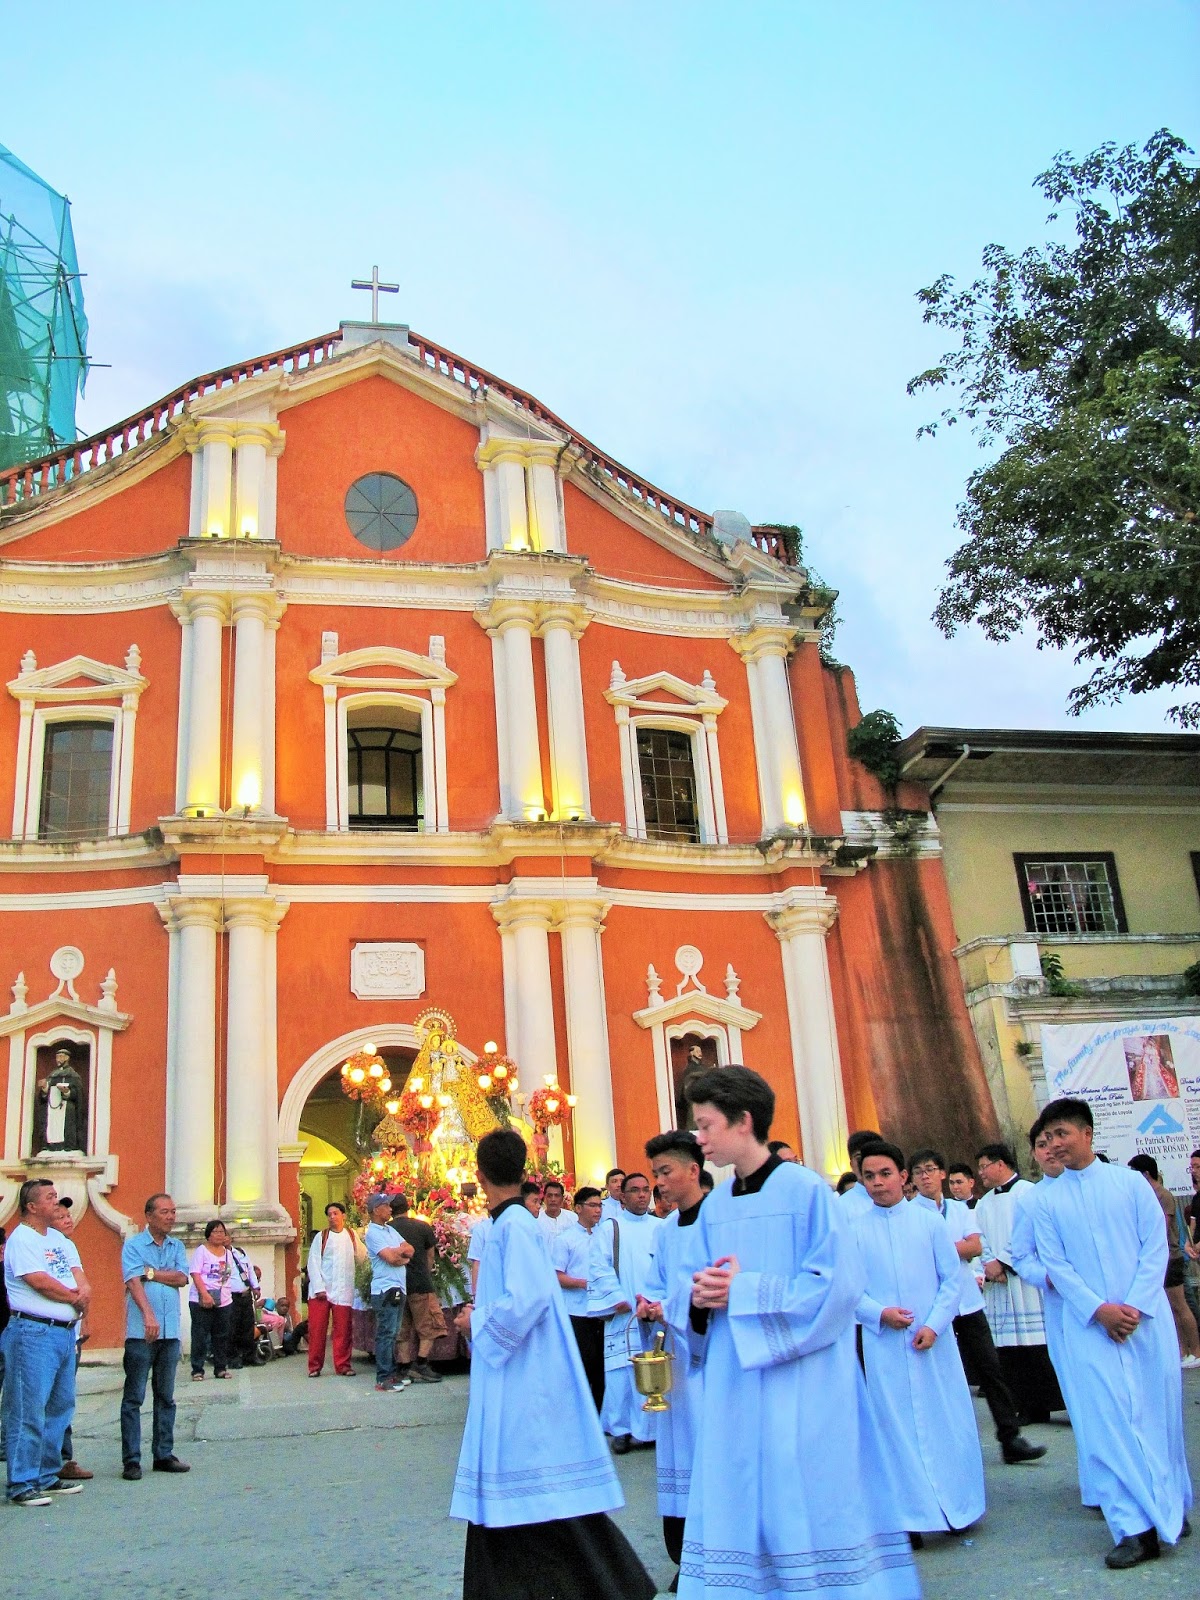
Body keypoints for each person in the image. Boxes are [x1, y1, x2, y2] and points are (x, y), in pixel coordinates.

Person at [671, 1068, 917, 1599]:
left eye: (707, 1125)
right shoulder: (714, 1205)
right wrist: (697, 1299)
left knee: (802, 1485)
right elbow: (694, 1284)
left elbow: (838, 1287)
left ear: (744, 1121)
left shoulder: (806, 1191)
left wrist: (741, 1291)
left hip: (806, 1379)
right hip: (736, 1379)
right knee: (744, 1486)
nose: (700, 1138)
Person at [450, 1128, 656, 1600]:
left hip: (526, 1374)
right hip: (516, 1367)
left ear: (479, 1174)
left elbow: (529, 1296)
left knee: (533, 1475)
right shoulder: (512, 1223)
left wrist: (475, 1323)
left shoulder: (514, 1226)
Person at [1034, 1097, 1193, 1568]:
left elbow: (1153, 1248)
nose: (1055, 1144)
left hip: (1144, 1323)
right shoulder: (1045, 1199)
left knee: (1157, 1417)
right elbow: (1056, 1265)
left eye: (1063, 1133)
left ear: (1087, 1133)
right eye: (1048, 1137)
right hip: (1089, 1328)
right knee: (1108, 1425)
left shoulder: (1129, 1184)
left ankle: (1171, 1506)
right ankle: (1133, 1528)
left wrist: (1134, 1307)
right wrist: (1099, 1310)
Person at [851, 1142, 986, 1541]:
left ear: (903, 1176)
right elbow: (849, 1290)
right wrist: (879, 1314)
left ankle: (957, 1505)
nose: (878, 1183)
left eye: (886, 1174)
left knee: (945, 1419)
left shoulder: (929, 1224)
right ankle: (908, 1514)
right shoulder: (855, 1229)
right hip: (885, 1344)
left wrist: (935, 1324)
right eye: (869, 1176)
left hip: (932, 1343)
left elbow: (951, 1280)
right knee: (894, 1427)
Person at [908, 1148, 1043, 1465]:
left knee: (990, 1370)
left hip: (967, 1302)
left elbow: (975, 1247)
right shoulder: (911, 1213)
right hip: (932, 1306)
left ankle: (1010, 1438)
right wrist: (953, 1250)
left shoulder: (960, 1210)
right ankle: (948, 1446)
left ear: (942, 1173)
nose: (925, 1176)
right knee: (942, 1375)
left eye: (930, 1169)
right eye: (918, 1172)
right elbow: (920, 1255)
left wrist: (940, 1249)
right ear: (910, 1179)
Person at [640, 1131, 709, 1589]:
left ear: (693, 1171)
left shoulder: (721, 1222)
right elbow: (657, 1283)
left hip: (716, 1363)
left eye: (666, 1172)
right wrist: (649, 1306)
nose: (659, 1183)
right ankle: (685, 1555)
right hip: (677, 1365)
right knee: (679, 1455)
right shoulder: (666, 1231)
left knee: (711, 1453)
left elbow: (718, 1285)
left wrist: (674, 1305)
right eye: (655, 1174)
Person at [1, 1178, 89, 1507]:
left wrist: (83, 1293)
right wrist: (74, 1298)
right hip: (32, 1332)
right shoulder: (21, 1239)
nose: (56, 1202)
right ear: (32, 1206)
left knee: (59, 1405)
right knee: (27, 1408)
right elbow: (39, 1281)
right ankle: (22, 1482)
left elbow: (78, 1272)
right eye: (50, 1197)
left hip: (64, 1332)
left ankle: (46, 1473)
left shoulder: (59, 1239)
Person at [974, 1142, 1063, 1423]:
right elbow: (980, 1238)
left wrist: (1002, 1261)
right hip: (1000, 1285)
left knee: (1035, 1345)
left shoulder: (1029, 1193)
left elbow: (1027, 1233)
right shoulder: (984, 1202)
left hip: (1026, 1282)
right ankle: (1022, 1403)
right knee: (1008, 1348)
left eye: (984, 1166)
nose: (981, 1173)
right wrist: (989, 1264)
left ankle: (1043, 1403)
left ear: (1001, 1164)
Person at [587, 1170, 661, 1454]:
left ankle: (651, 1429)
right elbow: (598, 1266)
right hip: (623, 1311)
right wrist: (617, 1298)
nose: (641, 1195)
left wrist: (658, 1301)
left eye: (645, 1189)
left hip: (653, 1311)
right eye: (635, 1190)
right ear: (622, 1195)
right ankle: (621, 1429)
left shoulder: (660, 1227)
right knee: (621, 1372)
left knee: (654, 1369)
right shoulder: (611, 1228)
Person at [119, 1192, 191, 1480]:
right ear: (149, 1216)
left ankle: (163, 1453)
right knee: (134, 1397)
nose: (171, 1216)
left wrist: (152, 1273)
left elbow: (182, 1278)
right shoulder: (134, 1245)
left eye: (173, 1211)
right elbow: (133, 1280)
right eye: (165, 1212)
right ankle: (131, 1460)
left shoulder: (177, 1245)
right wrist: (148, 1314)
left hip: (170, 1331)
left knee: (166, 1396)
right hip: (141, 1331)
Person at [1127, 1154, 1200, 1366]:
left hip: (1171, 1257)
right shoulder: (1144, 1195)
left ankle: (1195, 1350)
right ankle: (1181, 1351)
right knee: (1169, 1308)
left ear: (1146, 1174)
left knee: (1180, 1305)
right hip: (1158, 1258)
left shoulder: (1163, 1195)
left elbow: (1163, 1226)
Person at [51, 1198, 91, 1482]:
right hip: (51, 1332)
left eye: (68, 1214)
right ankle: (52, 1460)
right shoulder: (44, 1247)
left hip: (71, 1333)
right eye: (61, 1215)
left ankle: (63, 1458)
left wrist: (83, 1319)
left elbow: (82, 1285)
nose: (68, 1219)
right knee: (48, 1401)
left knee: (64, 1400)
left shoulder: (69, 1247)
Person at [554, 1186, 604, 1411]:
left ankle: (601, 1410)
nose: (598, 1210)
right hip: (576, 1310)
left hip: (602, 1308)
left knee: (602, 1363)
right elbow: (557, 1276)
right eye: (593, 1205)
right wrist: (585, 1283)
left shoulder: (605, 1235)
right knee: (585, 1361)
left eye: (600, 1205)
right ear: (578, 1208)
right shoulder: (565, 1239)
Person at [391, 1193, 445, 1384]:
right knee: (428, 1325)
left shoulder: (387, 1230)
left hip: (396, 1285)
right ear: (408, 1207)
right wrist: (425, 1272)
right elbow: (431, 1256)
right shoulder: (422, 1226)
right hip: (420, 1283)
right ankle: (421, 1364)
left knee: (402, 1328)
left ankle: (404, 1366)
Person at [306, 1201, 363, 1377]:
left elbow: (363, 1257)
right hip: (321, 1290)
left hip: (344, 1289)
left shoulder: (352, 1236)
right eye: (329, 1214)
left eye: (336, 1213)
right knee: (317, 1330)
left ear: (343, 1216)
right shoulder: (321, 1237)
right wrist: (319, 1287)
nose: (332, 1217)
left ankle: (343, 1365)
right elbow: (313, 1263)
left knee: (343, 1330)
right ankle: (314, 1366)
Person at [364, 1193, 414, 1393]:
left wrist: (401, 1254)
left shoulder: (391, 1231)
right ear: (376, 1210)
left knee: (393, 1333)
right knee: (386, 1333)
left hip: (398, 1287)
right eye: (386, 1205)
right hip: (385, 1288)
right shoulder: (373, 1233)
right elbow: (391, 1258)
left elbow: (409, 1249)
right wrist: (400, 1255)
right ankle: (383, 1377)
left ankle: (391, 1374)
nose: (391, 1208)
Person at [188, 1220, 235, 1380]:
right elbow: (195, 1273)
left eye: (222, 1232)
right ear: (208, 1234)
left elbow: (229, 1275)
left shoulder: (228, 1253)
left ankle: (221, 1367)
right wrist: (204, 1294)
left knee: (221, 1335)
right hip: (201, 1299)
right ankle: (197, 1369)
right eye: (215, 1232)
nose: (219, 1235)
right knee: (200, 1335)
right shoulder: (202, 1251)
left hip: (224, 1300)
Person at [839, 1129, 883, 1218]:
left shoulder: (896, 1198)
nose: (865, 1164)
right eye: (859, 1158)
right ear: (851, 1164)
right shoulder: (841, 1206)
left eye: (870, 1156)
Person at [536, 1179, 579, 1245]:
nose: (553, 1199)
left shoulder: (573, 1218)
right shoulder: (537, 1220)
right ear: (544, 1198)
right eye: (549, 1196)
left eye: (557, 1196)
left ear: (562, 1198)